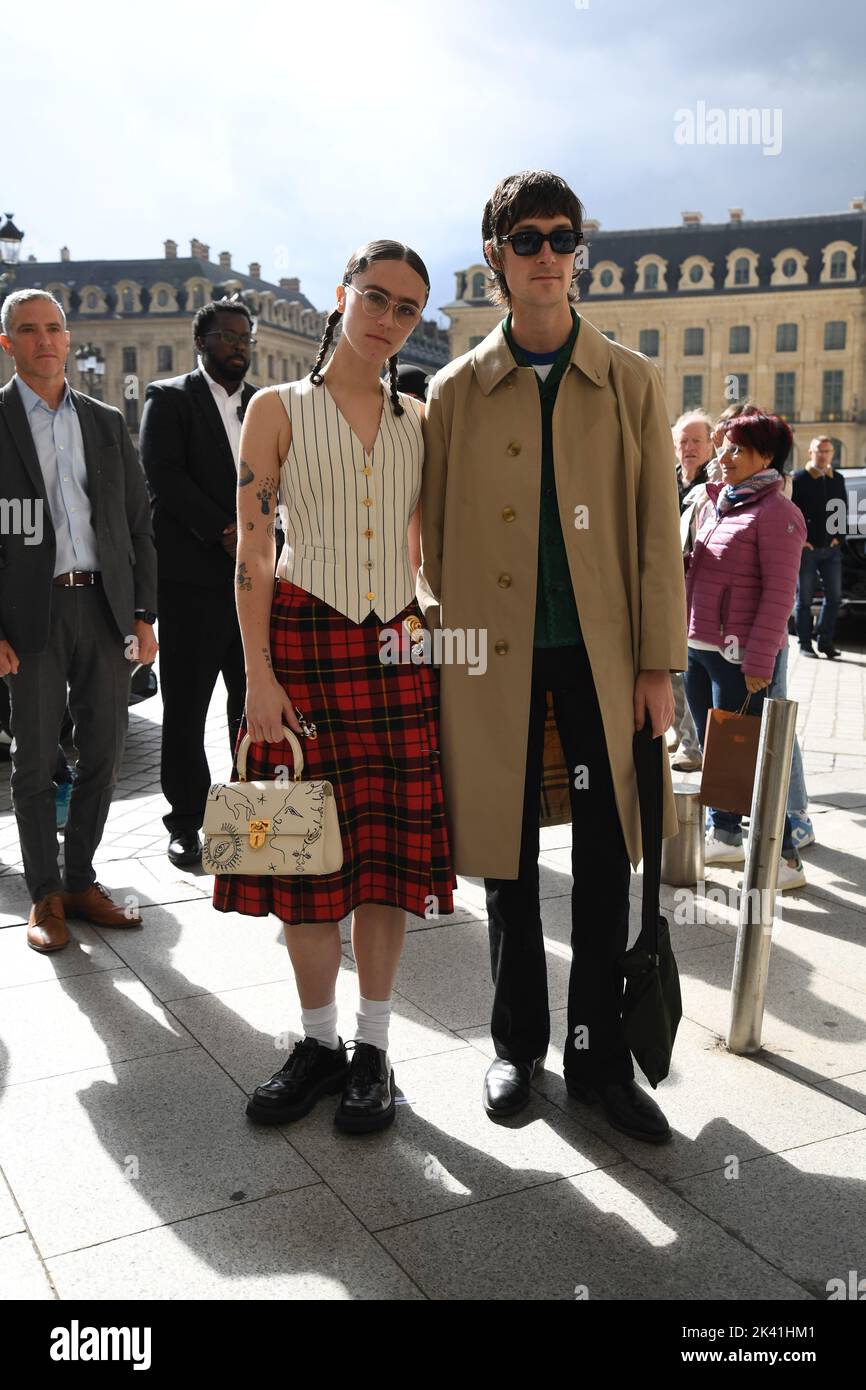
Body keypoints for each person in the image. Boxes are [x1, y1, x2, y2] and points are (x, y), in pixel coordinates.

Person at [418, 170, 687, 1145]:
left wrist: (658, 664)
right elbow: (431, 545)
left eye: (561, 238)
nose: (545, 255)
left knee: (607, 854)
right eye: (524, 238)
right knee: (504, 855)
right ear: (494, 256)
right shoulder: (451, 392)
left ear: (580, 253)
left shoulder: (630, 381)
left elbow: (658, 533)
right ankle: (514, 1045)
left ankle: (598, 1057)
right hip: (489, 661)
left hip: (602, 657)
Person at [213, 241, 455, 1134]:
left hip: (397, 648)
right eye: (378, 299)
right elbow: (251, 548)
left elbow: (425, 552)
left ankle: (374, 1049)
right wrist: (257, 674)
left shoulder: (421, 422)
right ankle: (316, 1043)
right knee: (303, 855)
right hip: (304, 645)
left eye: (407, 310)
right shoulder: (274, 409)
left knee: (385, 858)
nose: (390, 320)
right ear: (343, 296)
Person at [0, 289, 157, 952]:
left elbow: (138, 524)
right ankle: (43, 897)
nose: (45, 340)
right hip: (29, 616)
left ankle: (80, 881)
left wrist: (145, 614)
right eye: (29, 331)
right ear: (7, 343)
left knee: (105, 755)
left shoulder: (103, 420)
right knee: (35, 764)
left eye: (55, 329)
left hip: (104, 609)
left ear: (69, 337)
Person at [140, 299, 258, 866]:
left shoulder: (265, 404)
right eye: (227, 336)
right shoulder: (169, 398)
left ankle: (249, 817)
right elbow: (163, 476)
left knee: (253, 702)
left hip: (257, 586)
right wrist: (223, 530)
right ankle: (187, 820)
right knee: (186, 708)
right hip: (191, 585)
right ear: (201, 341)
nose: (238, 345)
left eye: (244, 337)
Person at [683, 411, 807, 889]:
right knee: (719, 754)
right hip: (699, 645)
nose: (726, 457)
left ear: (767, 457)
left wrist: (759, 663)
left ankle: (787, 859)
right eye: (725, 447)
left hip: (739, 658)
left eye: (738, 449)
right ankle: (728, 836)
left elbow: (780, 595)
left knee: (748, 757)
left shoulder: (779, 514)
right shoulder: (721, 503)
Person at [670, 410, 716, 772]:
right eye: (683, 441)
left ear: (711, 444)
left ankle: (692, 743)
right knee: (669, 663)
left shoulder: (716, 485)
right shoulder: (667, 481)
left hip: (700, 589)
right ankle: (677, 729)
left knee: (690, 665)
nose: (688, 448)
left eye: (696, 440)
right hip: (666, 587)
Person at [792, 436, 847, 659]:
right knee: (803, 599)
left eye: (827, 451)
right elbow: (791, 512)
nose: (823, 454)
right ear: (810, 452)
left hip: (831, 549)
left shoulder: (837, 478)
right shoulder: (799, 478)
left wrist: (839, 537)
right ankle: (805, 644)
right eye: (819, 450)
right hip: (807, 549)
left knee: (834, 598)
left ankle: (825, 641)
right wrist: (800, 540)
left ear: (832, 454)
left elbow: (842, 508)